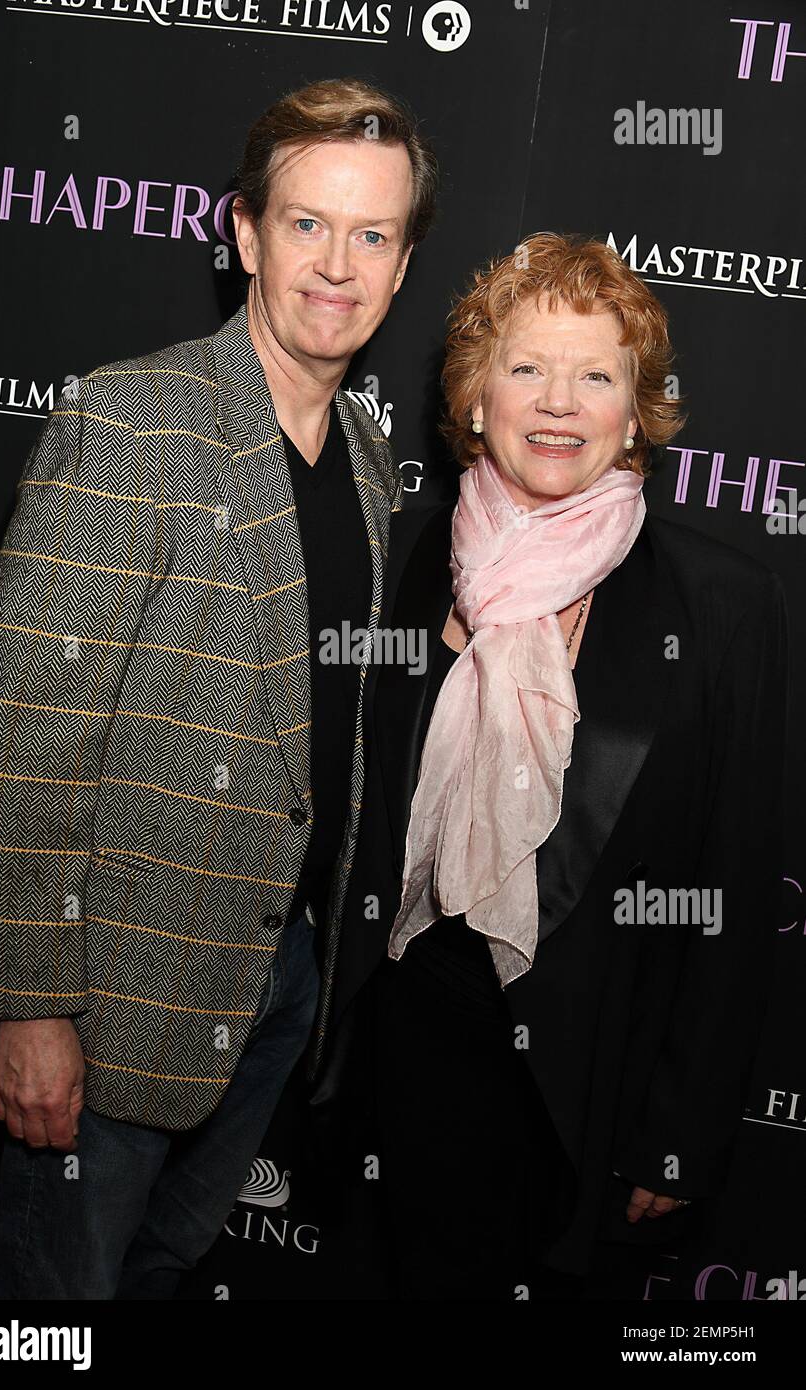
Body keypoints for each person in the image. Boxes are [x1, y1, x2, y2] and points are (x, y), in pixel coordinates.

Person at [0, 77, 438, 1299]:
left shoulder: (377, 467)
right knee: (51, 1303)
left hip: (281, 982)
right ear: (242, 234)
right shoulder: (129, 421)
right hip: (109, 996)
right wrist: (31, 1010)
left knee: (168, 1271)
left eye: (371, 233)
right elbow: (22, 741)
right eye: (306, 224)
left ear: (403, 260)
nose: (337, 264)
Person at [310, 233, 789, 1300]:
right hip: (404, 1060)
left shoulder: (720, 607)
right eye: (525, 368)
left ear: (635, 413)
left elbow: (733, 894)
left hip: (581, 1090)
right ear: (476, 399)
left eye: (595, 375)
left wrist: (680, 1131)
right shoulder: (405, 558)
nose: (557, 402)